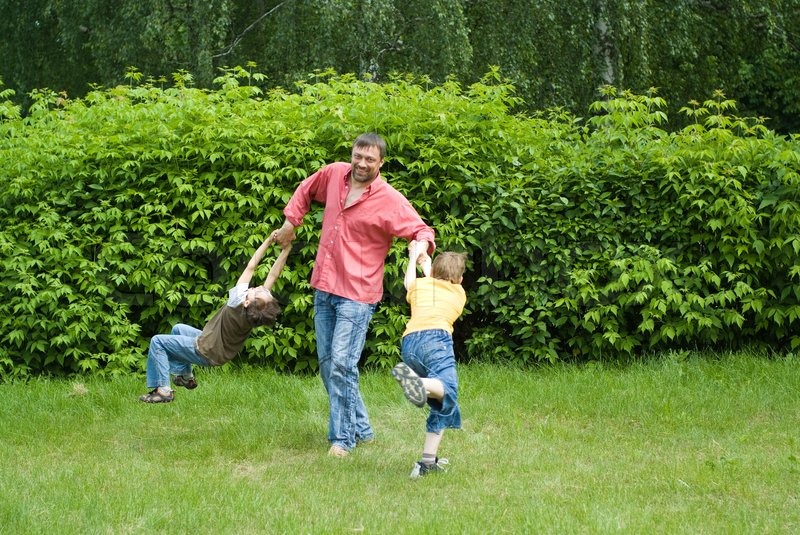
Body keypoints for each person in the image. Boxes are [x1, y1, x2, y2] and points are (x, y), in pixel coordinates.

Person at [273, 132, 435, 457]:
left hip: (358, 295)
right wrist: (292, 222)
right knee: (328, 364)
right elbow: (306, 189)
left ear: (381, 162)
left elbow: (421, 230)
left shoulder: (390, 199)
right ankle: (361, 428)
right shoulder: (334, 175)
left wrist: (421, 251)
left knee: (343, 366)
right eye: (357, 156)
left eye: (369, 159)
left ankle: (342, 440)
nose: (361, 163)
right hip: (325, 286)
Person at [139, 234, 291, 403]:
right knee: (178, 328)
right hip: (218, 349)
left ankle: (163, 390)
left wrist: (269, 240)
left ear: (247, 302)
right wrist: (286, 249)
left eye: (256, 290)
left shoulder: (237, 302)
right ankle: (184, 376)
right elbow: (273, 276)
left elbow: (251, 267)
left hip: (207, 349)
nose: (258, 287)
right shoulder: (255, 313)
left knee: (157, 341)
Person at [391, 240, 467, 478]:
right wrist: (426, 263)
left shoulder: (422, 287)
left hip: (410, 345)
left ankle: (426, 463)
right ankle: (418, 384)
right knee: (449, 389)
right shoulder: (459, 293)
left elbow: (413, 283)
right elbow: (441, 283)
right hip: (437, 342)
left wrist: (414, 257)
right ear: (460, 280)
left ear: (433, 273)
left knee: (443, 403)